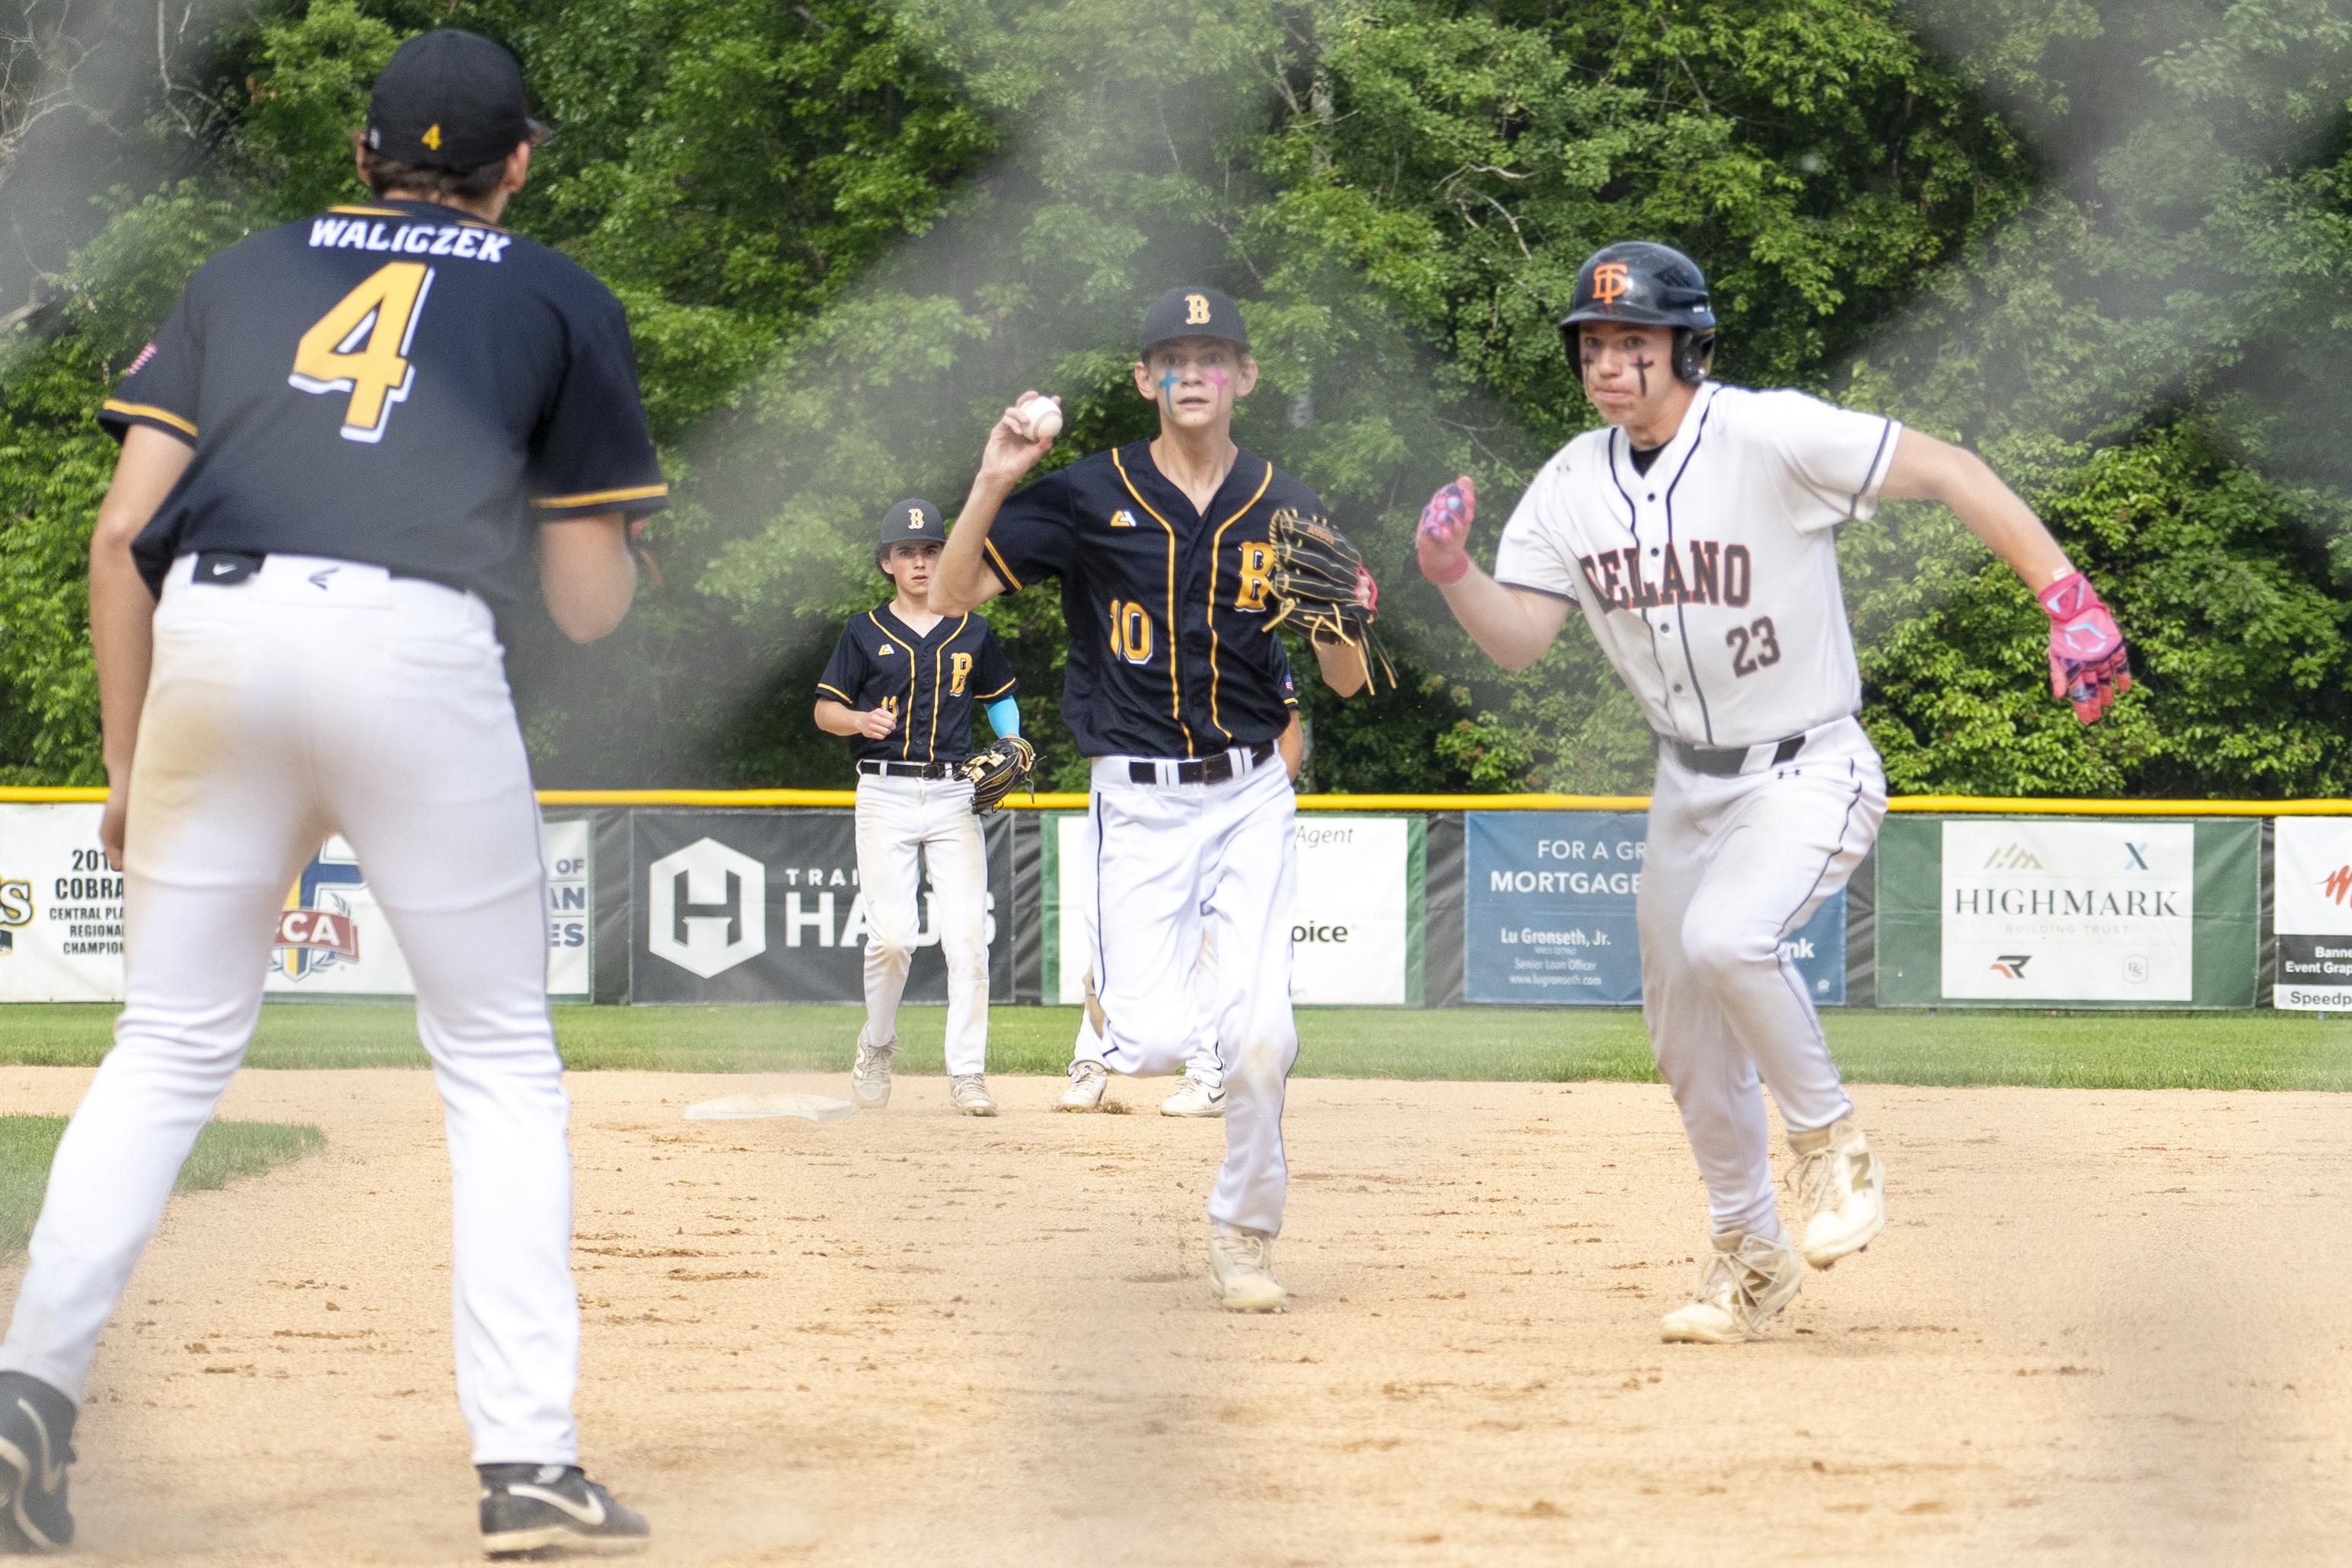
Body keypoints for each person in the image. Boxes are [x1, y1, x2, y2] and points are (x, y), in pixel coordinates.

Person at [0, 30, 662, 1554]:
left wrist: (126, 759)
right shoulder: (558, 294)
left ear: (362, 155)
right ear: (519, 166)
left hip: (214, 636)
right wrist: (619, 539)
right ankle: (526, 1467)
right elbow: (582, 609)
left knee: (164, 1044)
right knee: (496, 1059)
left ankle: (29, 1398)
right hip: (414, 646)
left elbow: (118, 539)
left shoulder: (245, 273)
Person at [1416, 241, 2130, 1345]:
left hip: (1808, 766)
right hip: (1683, 790)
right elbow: (1517, 643)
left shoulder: (1767, 434)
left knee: (1729, 937)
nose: (1607, 363)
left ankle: (1833, 1150)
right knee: (1687, 1047)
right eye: (1592, 343)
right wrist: (1451, 574)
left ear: (1685, 346)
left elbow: (1951, 467)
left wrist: (2064, 594)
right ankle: (1749, 1259)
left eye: (1632, 342)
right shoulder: (1566, 485)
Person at [932, 286, 1369, 1311]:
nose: (1191, 374)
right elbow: (953, 596)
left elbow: (1343, 682)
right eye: (1171, 359)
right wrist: (993, 481)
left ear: (1244, 378)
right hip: (1133, 798)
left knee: (1260, 1040)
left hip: (1251, 787)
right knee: (1149, 1042)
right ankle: (1143, 1022)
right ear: (1144, 380)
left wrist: (1336, 615)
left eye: (1212, 356)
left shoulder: (1286, 504)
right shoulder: (1090, 493)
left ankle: (1245, 1234)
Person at [814, 499, 1019, 1117]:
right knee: (894, 939)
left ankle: (968, 1073)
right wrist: (858, 718)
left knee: (966, 941)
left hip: (955, 792)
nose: (922, 561)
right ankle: (877, 1045)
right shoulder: (863, 630)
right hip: (884, 791)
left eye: (932, 549)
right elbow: (826, 711)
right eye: (908, 552)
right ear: (887, 563)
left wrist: (1010, 742)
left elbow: (1000, 700)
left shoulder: (972, 628)